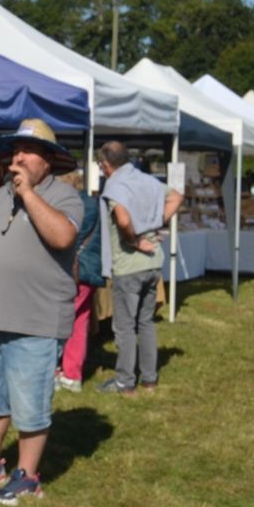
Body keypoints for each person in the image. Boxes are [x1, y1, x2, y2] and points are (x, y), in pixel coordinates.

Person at [0, 119, 82, 505]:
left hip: (37, 318)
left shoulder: (65, 196)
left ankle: (28, 477)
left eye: (27, 151)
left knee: (30, 403)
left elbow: (62, 236)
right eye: (13, 151)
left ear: (49, 159)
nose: (16, 158)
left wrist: (29, 195)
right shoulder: (0, 194)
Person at [95, 141, 183, 395]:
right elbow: (177, 196)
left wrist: (134, 239)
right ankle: (149, 379)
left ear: (106, 164)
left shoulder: (115, 185)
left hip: (129, 264)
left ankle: (125, 381)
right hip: (154, 262)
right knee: (145, 322)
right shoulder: (147, 180)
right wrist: (158, 222)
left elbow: (122, 219)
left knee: (124, 326)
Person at [55, 171, 103, 393]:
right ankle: (73, 374)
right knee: (79, 322)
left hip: (73, 271)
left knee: (59, 321)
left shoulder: (71, 205)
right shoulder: (91, 203)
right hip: (90, 270)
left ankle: (53, 370)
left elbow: (64, 239)